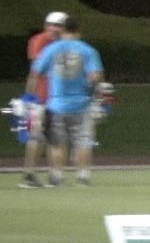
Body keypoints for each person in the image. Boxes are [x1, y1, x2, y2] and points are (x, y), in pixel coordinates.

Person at [27, 15, 104, 186]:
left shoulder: (51, 49)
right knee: (83, 142)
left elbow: (35, 74)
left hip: (56, 104)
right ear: (78, 31)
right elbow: (96, 77)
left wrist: (29, 98)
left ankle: (57, 176)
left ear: (63, 30)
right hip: (81, 103)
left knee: (57, 143)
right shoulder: (88, 50)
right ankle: (83, 176)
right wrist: (97, 98)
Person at [18, 11, 66, 189]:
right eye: (52, 25)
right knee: (36, 137)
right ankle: (29, 175)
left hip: (58, 98)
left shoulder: (63, 44)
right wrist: (28, 98)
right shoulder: (39, 41)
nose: (54, 28)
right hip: (41, 97)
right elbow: (35, 71)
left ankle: (54, 176)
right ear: (46, 26)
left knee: (55, 138)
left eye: (58, 25)